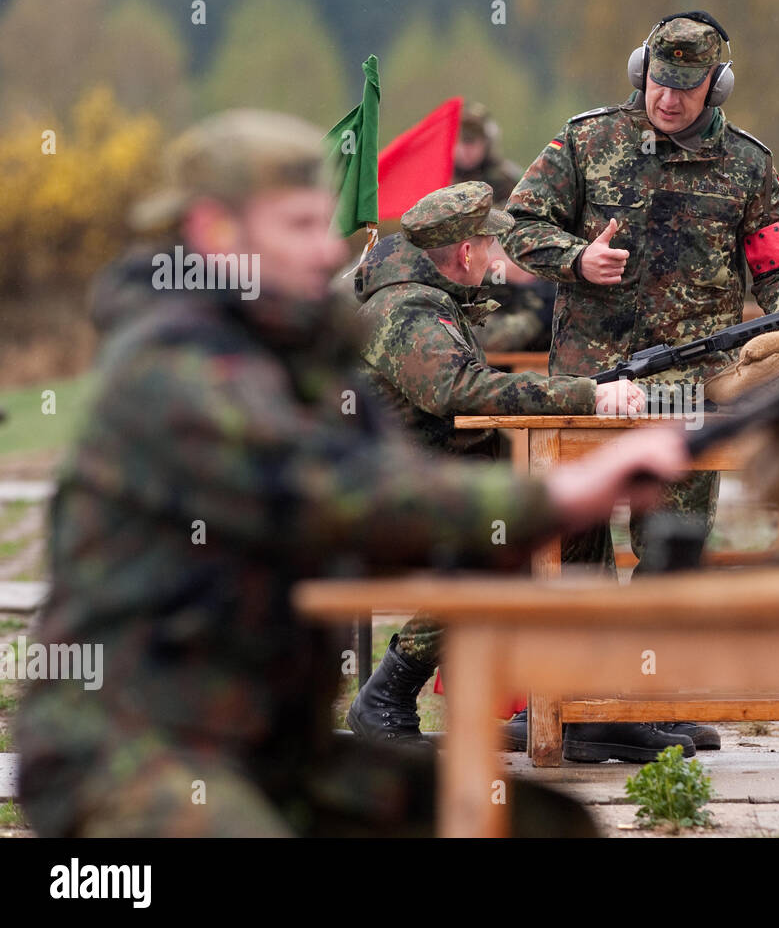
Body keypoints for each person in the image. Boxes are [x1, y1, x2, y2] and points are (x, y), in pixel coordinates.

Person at [15, 109, 687, 837]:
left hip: (267, 746)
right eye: (298, 226)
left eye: (320, 222)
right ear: (216, 234)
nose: (323, 247)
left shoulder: (298, 348)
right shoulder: (172, 363)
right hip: (130, 745)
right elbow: (337, 495)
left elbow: (380, 498)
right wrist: (558, 492)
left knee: (540, 824)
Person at [504, 11, 779, 755]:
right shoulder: (588, 141)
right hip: (592, 386)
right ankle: (574, 702)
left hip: (694, 389)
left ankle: (646, 701)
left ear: (717, 85)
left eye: (686, 88)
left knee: (671, 546)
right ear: (638, 71)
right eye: (657, 82)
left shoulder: (747, 165)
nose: (668, 99)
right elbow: (518, 223)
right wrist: (576, 259)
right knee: (575, 542)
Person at [345, 181, 689, 762]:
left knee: (574, 522)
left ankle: (578, 704)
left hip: (435, 477)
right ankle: (386, 696)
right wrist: (588, 394)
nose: (495, 257)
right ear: (463, 253)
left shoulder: (423, 299)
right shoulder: (405, 308)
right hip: (402, 491)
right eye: (488, 243)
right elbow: (459, 389)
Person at [454, 102, 554, 353]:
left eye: (471, 142)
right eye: (460, 142)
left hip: (505, 284)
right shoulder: (440, 180)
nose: (465, 150)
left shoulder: (508, 182)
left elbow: (524, 231)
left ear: (485, 143)